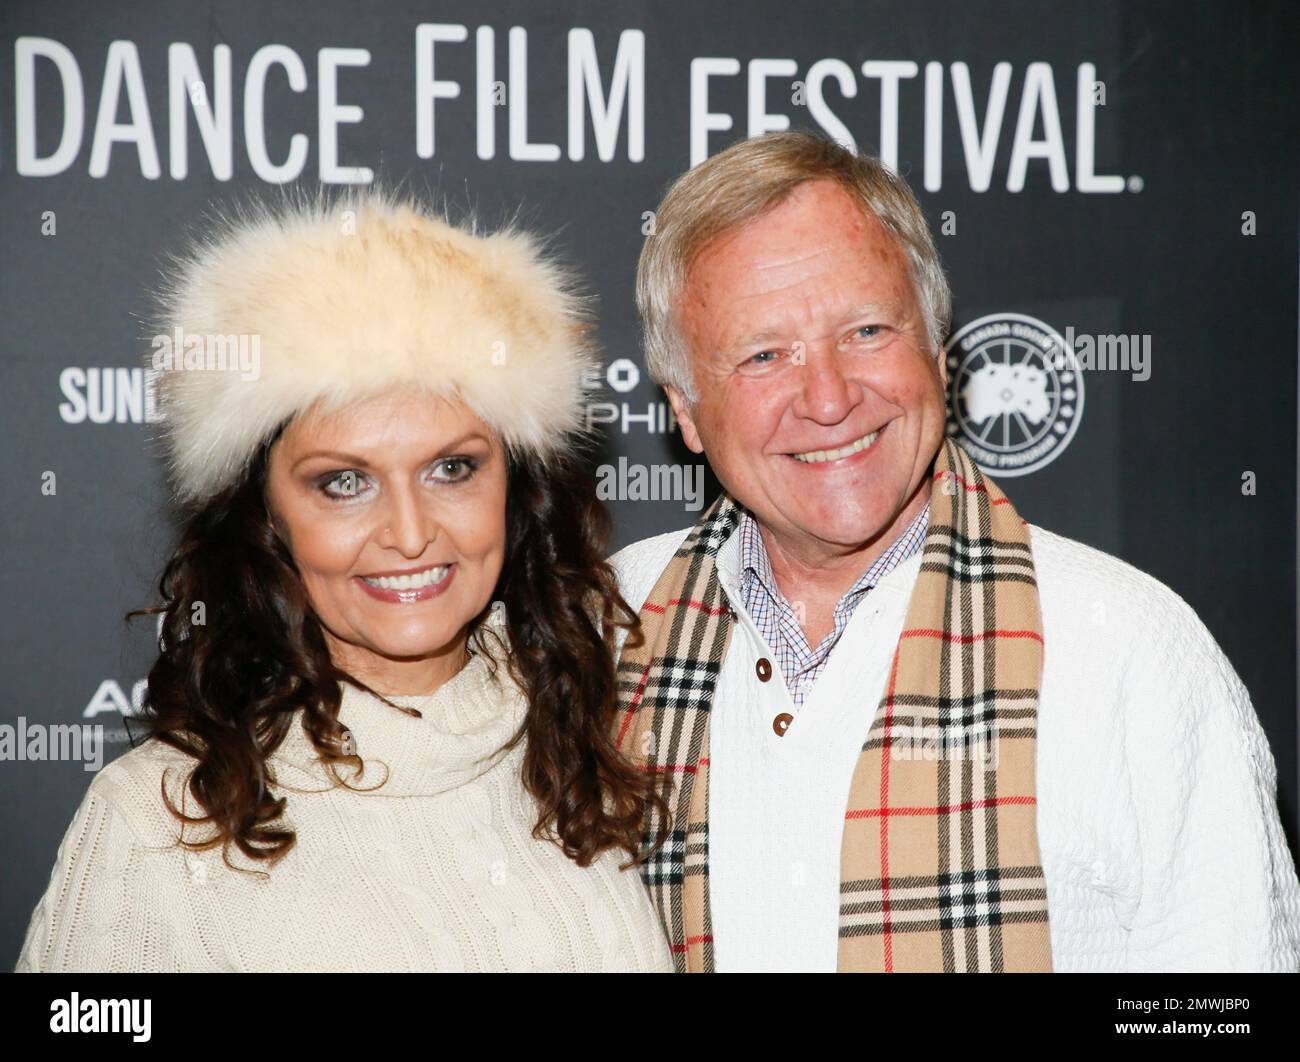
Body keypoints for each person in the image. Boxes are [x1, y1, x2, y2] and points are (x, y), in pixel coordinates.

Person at [609, 130, 1300, 972]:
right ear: (683, 410)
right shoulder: (605, 627)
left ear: (939, 354)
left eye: (866, 330)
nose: (828, 398)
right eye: (765, 354)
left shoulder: (1131, 649)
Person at [16, 188, 672, 972]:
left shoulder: (599, 747)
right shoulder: (157, 824)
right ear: (266, 515)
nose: (408, 532)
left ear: (516, 489)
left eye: (452, 468)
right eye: (343, 482)